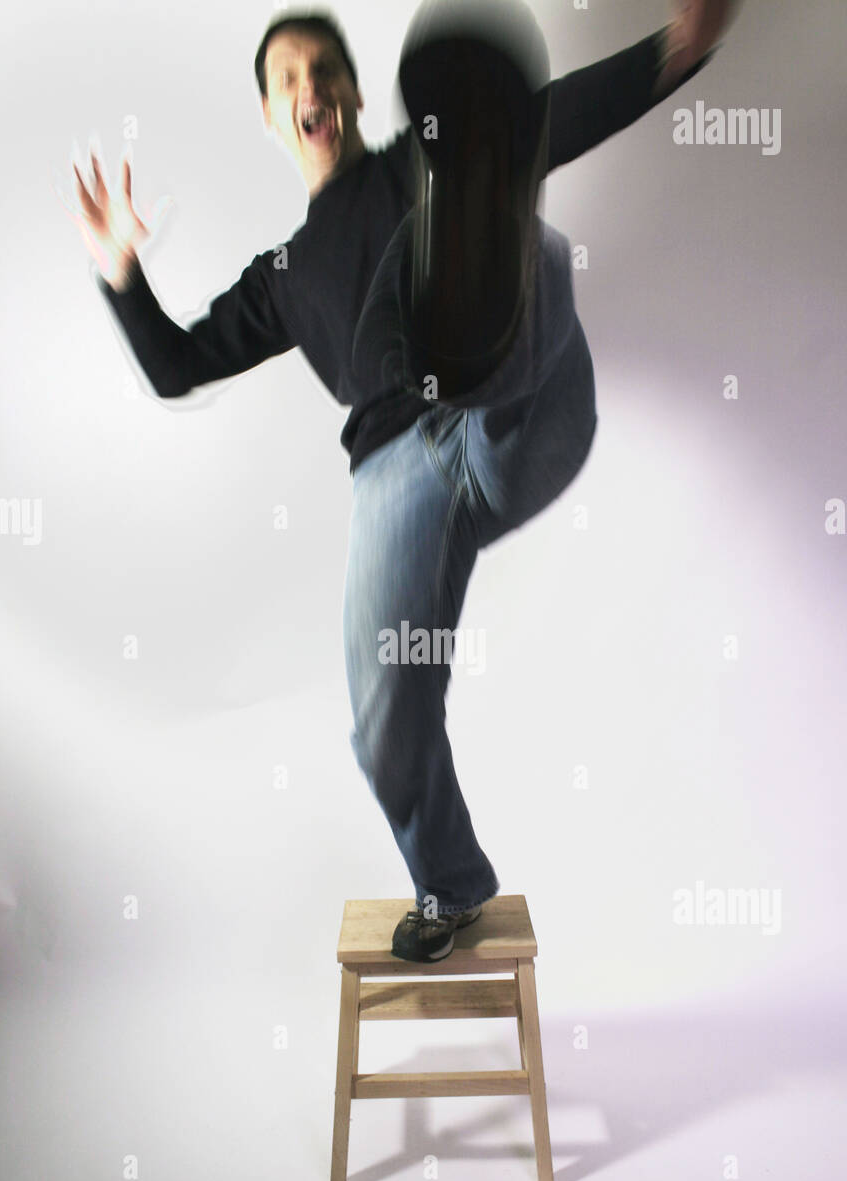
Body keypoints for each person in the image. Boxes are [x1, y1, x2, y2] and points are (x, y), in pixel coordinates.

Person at [64, 1, 742, 962]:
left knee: (495, 187)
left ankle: (493, 281)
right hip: (398, 480)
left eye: (327, 70)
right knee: (386, 726)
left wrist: (673, 53)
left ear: (350, 88)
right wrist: (123, 275)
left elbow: (553, 115)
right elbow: (177, 366)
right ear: (270, 113)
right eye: (290, 79)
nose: (313, 89)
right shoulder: (283, 276)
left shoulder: (424, 159)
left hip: (513, 408)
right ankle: (453, 885)